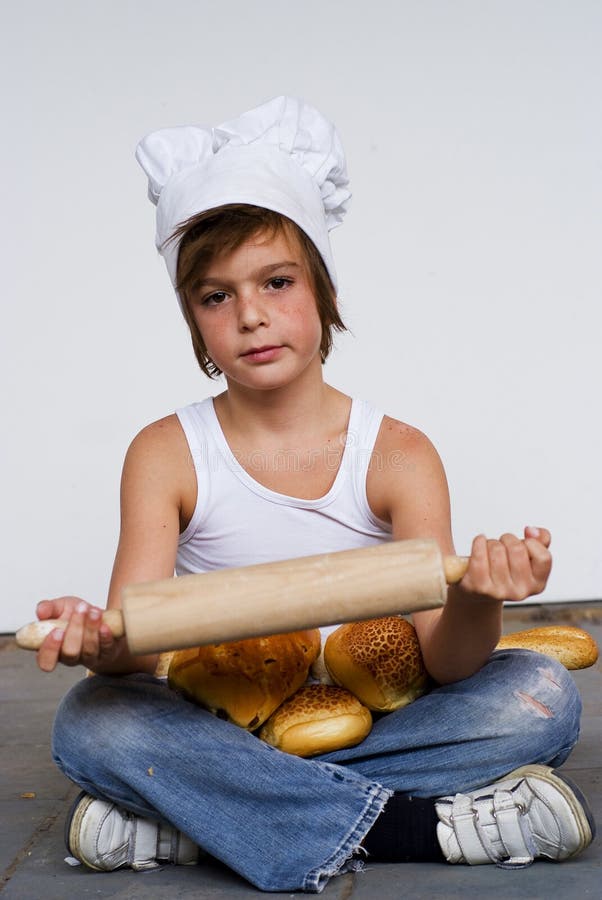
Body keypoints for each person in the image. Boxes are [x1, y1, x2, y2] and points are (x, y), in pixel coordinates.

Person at [36, 97, 595, 892]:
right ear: (193, 322)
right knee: (94, 720)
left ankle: (204, 820)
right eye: (216, 296)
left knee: (540, 695)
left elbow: (447, 657)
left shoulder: (398, 454)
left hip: (379, 721)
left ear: (322, 289)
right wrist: (101, 640)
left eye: (277, 281)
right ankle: (415, 830)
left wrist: (478, 596)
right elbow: (143, 647)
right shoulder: (166, 454)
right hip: (226, 725)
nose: (252, 316)